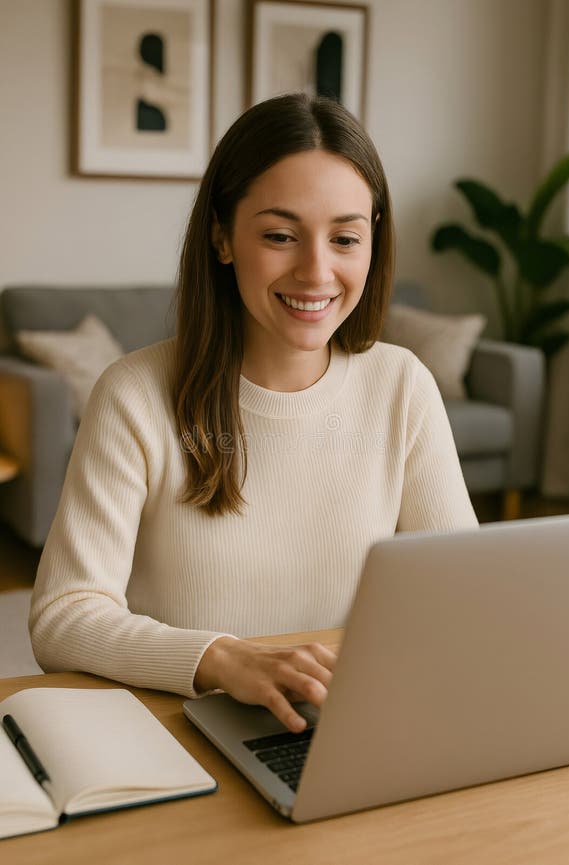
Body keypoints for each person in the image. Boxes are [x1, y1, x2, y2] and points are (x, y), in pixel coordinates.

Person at [30, 93, 478, 733]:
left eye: (346, 237)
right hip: (182, 730)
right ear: (222, 237)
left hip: (345, 726)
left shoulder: (401, 383)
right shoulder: (133, 394)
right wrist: (221, 659)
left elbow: (463, 597)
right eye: (279, 235)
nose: (317, 272)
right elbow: (63, 617)